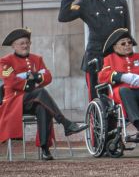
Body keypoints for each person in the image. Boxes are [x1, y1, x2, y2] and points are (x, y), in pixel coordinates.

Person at [0, 29, 88, 160]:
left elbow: (48, 77)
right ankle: (66, 123)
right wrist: (34, 79)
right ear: (13, 46)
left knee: (44, 107)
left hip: (33, 100)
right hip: (14, 102)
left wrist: (31, 76)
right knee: (40, 92)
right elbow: (11, 82)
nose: (25, 46)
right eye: (21, 43)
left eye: (27, 43)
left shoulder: (37, 59)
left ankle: (45, 148)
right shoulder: (5, 61)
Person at [58, 0, 130, 99]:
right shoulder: (85, 2)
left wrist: (128, 53)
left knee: (120, 94)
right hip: (96, 58)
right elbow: (63, 16)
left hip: (116, 56)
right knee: (96, 96)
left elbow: (126, 30)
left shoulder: (119, 0)